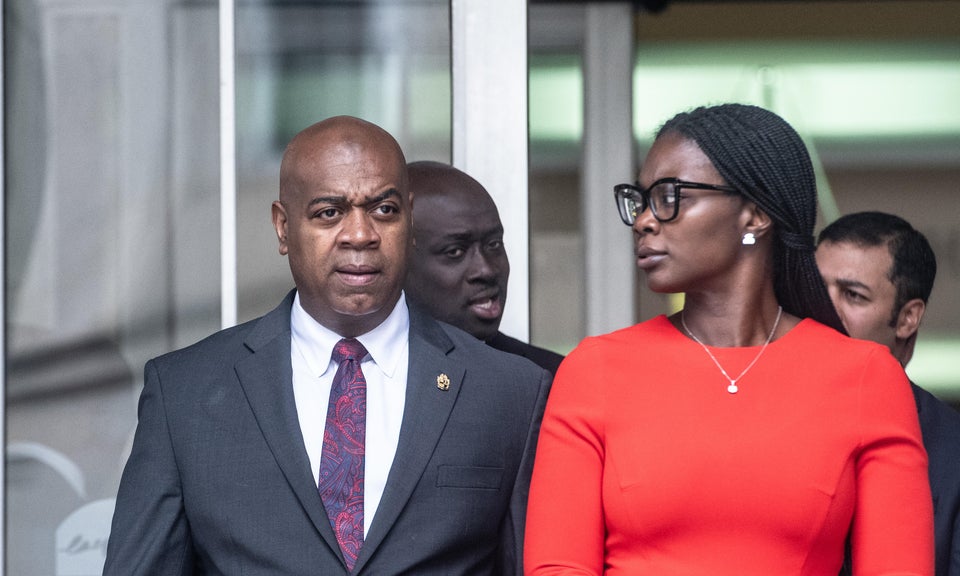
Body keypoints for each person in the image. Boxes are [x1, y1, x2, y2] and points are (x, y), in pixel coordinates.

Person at [103, 116, 551, 575]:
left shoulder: (508, 392)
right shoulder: (186, 394)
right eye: (329, 213)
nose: (361, 235)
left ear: (410, 221)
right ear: (283, 227)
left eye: (384, 210)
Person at [524, 103, 933, 575]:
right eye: (641, 201)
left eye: (670, 195)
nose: (644, 221)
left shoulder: (865, 377)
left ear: (754, 215)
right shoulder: (593, 371)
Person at [817, 211, 960, 576]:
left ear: (908, 318)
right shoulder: (761, 419)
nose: (822, 311)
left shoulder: (953, 452)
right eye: (817, 290)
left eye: (853, 295)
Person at [404, 160, 565, 375]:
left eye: (493, 245)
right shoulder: (363, 377)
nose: (486, 270)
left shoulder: (547, 380)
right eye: (455, 252)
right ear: (398, 263)